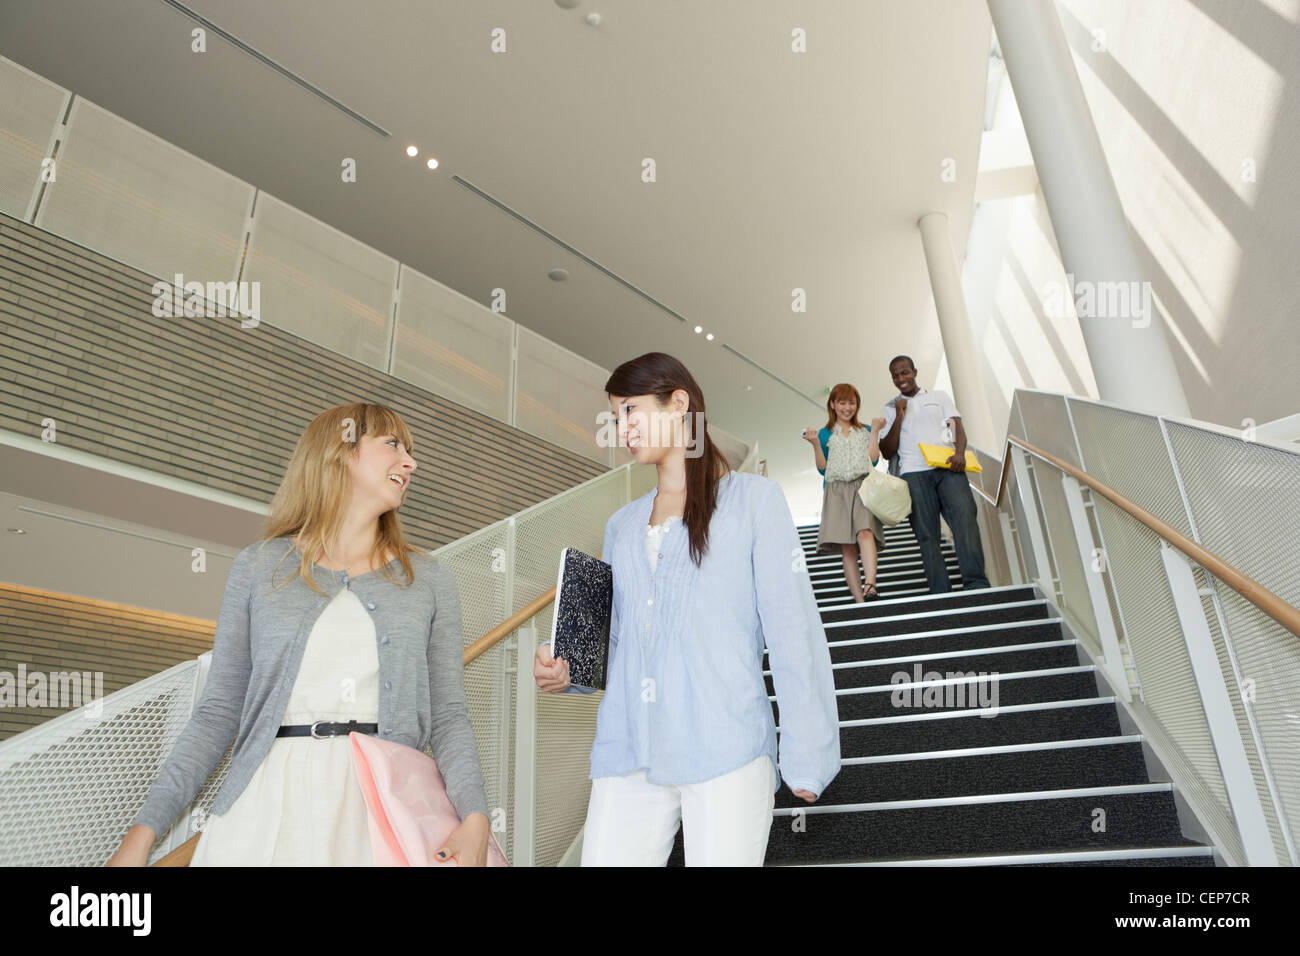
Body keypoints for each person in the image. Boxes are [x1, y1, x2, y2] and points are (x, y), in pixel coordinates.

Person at [107, 402, 491, 866]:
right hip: (264, 802)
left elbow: (449, 715)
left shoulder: (429, 579)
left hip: (381, 807)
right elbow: (218, 712)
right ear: (340, 452)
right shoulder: (259, 566)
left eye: (409, 451)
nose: (410, 463)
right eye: (393, 445)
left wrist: (475, 817)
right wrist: (141, 835)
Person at [534, 352, 840, 866]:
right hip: (629, 749)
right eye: (615, 417)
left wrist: (806, 758)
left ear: (679, 404)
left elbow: (794, 633)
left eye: (630, 411)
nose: (621, 428)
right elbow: (616, 645)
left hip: (727, 749)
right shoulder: (621, 526)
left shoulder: (755, 501)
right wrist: (568, 671)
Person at [877, 355, 990, 593]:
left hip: (948, 467)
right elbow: (887, 451)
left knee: (965, 524)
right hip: (913, 474)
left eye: (904, 372)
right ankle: (940, 591)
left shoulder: (939, 397)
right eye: (895, 375)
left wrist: (960, 453)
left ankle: (976, 584)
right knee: (927, 535)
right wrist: (899, 416)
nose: (901, 378)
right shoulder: (890, 408)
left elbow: (957, 427)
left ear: (914, 372)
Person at [803, 383, 888, 601]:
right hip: (836, 490)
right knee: (848, 547)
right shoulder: (824, 434)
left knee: (865, 533)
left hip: (862, 486)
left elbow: (874, 460)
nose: (847, 407)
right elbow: (823, 468)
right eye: (842, 402)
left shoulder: (865, 430)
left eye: (851, 402)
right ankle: (860, 600)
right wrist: (814, 444)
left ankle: (870, 586)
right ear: (832, 404)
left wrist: (876, 431)